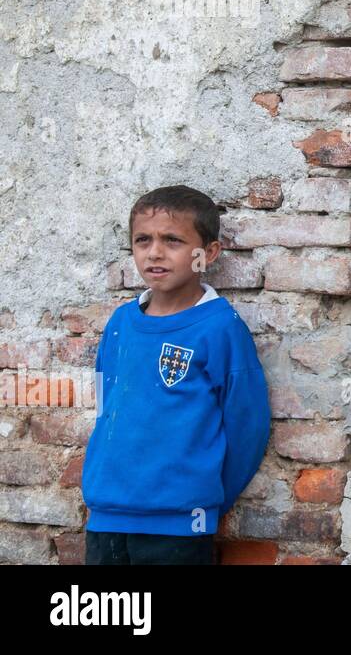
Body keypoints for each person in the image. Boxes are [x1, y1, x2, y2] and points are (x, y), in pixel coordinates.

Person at [81, 185, 270, 565]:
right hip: (106, 518)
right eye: (143, 240)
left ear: (208, 253)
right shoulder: (122, 322)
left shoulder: (219, 328)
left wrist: (205, 496)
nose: (155, 252)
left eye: (172, 240)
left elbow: (247, 426)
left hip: (178, 528)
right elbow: (106, 404)